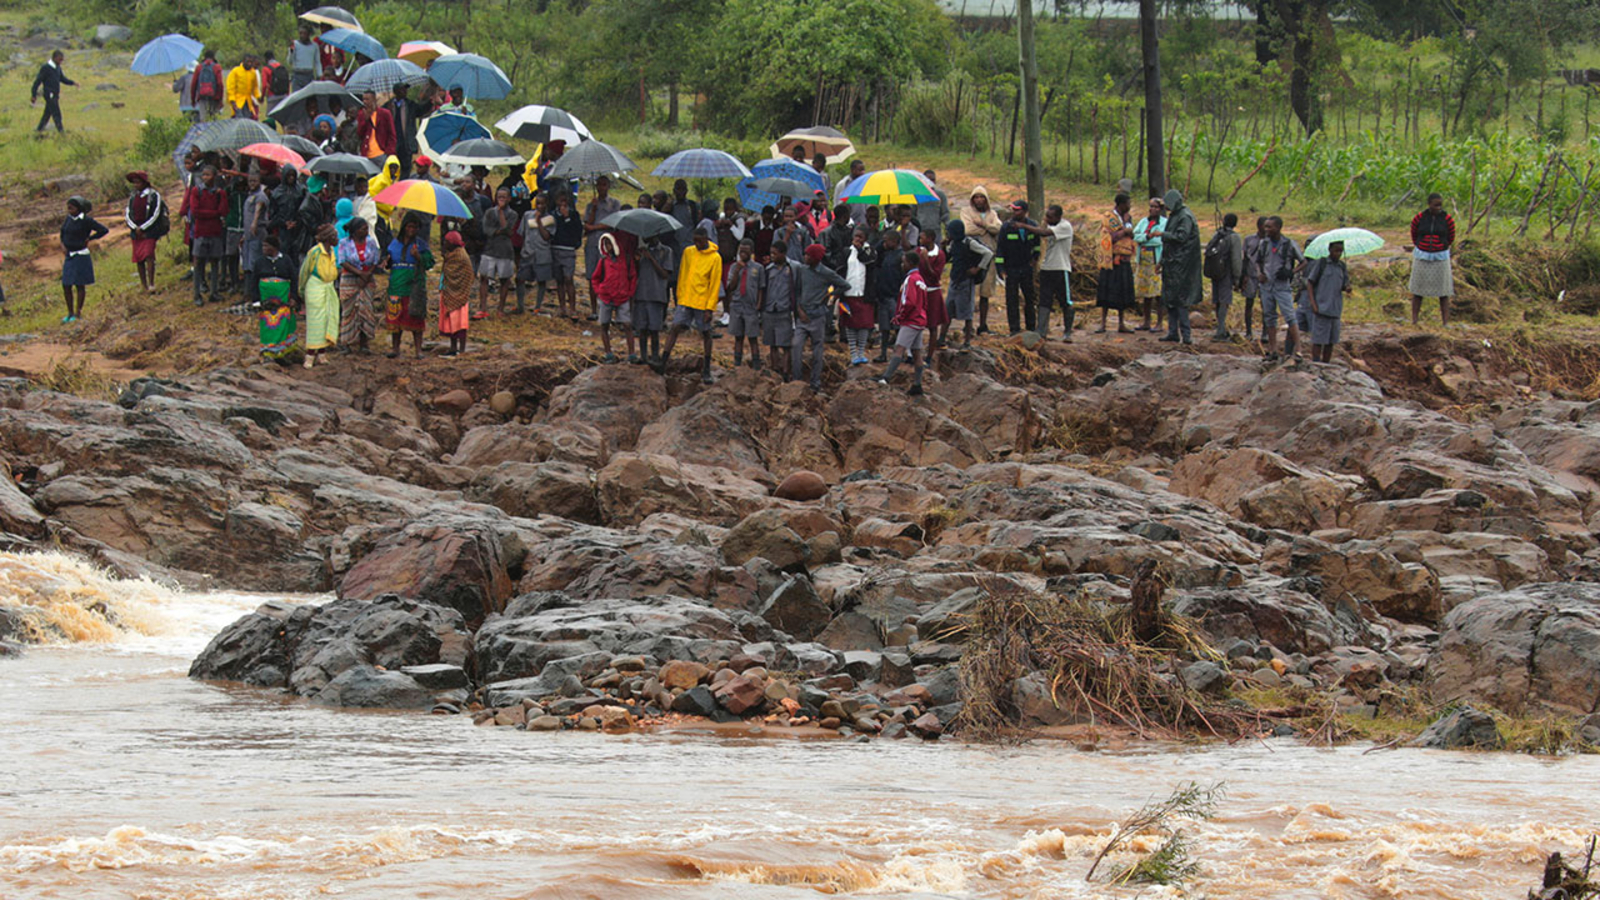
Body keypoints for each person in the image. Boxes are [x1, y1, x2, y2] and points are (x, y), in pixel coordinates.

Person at [656, 225, 722, 383]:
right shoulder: (688, 252)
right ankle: (663, 362)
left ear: (706, 239)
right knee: (675, 327)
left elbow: (714, 285)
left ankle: (707, 369)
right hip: (686, 299)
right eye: (695, 241)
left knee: (706, 333)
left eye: (700, 241)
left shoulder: (715, 258)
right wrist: (680, 296)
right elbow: (683, 274)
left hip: (702, 302)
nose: (697, 244)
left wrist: (710, 308)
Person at [793, 243, 850, 392]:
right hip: (803, 316)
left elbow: (845, 285)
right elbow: (797, 291)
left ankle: (815, 383)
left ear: (815, 258)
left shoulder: (826, 273)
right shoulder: (802, 270)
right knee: (796, 346)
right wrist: (799, 310)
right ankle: (796, 381)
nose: (805, 257)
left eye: (808, 255)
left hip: (818, 316)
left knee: (817, 351)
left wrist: (830, 295)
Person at [877, 250, 928, 396]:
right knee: (916, 353)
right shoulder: (920, 279)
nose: (902, 265)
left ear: (910, 263)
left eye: (904, 262)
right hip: (920, 319)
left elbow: (908, 302)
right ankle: (917, 384)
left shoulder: (910, 279)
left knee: (899, 348)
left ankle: (885, 378)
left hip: (911, 320)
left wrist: (900, 316)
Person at [1253, 215, 1304, 361]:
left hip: (1282, 286)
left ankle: (1298, 350)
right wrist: (1259, 273)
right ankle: (1273, 350)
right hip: (1266, 285)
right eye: (1266, 226)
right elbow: (1257, 261)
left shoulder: (1289, 244)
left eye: (1269, 227)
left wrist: (1291, 272)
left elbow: (1303, 262)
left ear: (1278, 228)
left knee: (1290, 316)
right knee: (1269, 317)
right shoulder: (1264, 243)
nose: (1266, 229)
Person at [384, 214, 432, 359]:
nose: (412, 230)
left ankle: (418, 350)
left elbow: (430, 263)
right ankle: (395, 348)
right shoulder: (394, 244)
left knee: (416, 317)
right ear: (404, 227)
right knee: (395, 317)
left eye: (415, 227)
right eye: (409, 226)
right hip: (397, 285)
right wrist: (387, 262)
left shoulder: (421, 245)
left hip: (414, 285)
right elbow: (388, 262)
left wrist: (418, 256)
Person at [1157, 189, 1201, 345]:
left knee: (1180, 300)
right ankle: (1172, 332)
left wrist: (1162, 235)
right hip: (1171, 263)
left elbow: (1181, 237)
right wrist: (1162, 261)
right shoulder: (1175, 215)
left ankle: (1186, 335)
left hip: (1182, 265)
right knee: (1170, 299)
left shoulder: (1185, 217)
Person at [1405, 192, 1455, 327]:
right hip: (1422, 256)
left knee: (1444, 292)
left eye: (1440, 205)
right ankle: (1414, 320)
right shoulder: (1419, 218)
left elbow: (1451, 236)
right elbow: (1414, 233)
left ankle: (1445, 322)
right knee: (1418, 291)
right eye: (1435, 205)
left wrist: (1442, 245)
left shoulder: (1447, 219)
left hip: (1440, 257)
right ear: (1429, 205)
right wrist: (1422, 245)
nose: (1438, 208)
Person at [181, 165, 228, 307]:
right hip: (200, 232)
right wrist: (214, 213)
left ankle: (214, 292)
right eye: (204, 175)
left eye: (208, 175)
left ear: (215, 176)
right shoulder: (197, 191)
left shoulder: (219, 193)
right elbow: (195, 211)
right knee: (198, 263)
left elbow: (224, 211)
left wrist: (221, 199)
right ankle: (197, 294)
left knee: (214, 262)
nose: (205, 177)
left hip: (215, 232)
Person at [943, 219, 992, 351]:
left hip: (966, 281)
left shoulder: (969, 243)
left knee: (967, 313)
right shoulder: (953, 244)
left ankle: (967, 341)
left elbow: (988, 253)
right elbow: (947, 257)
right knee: (948, 310)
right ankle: (941, 338)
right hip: (955, 280)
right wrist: (944, 247)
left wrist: (978, 268)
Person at [57, 196, 107, 323]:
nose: (69, 210)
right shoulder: (68, 219)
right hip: (70, 256)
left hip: (81, 255)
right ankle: (70, 313)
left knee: (79, 284)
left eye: (72, 207)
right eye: (68, 207)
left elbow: (103, 230)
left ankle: (78, 313)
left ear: (79, 208)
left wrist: (90, 239)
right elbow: (62, 233)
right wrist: (63, 246)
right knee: (66, 284)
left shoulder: (86, 220)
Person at [960, 185, 1002, 334]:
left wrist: (983, 224)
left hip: (990, 255)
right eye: (976, 197)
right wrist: (987, 229)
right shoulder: (966, 211)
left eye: (981, 197)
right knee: (970, 291)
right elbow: (967, 229)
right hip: (972, 255)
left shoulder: (992, 213)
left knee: (985, 292)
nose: (979, 200)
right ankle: (968, 324)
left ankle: (983, 325)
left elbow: (998, 228)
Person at [337, 216, 381, 354]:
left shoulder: (371, 242)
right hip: (349, 279)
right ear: (355, 231)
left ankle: (364, 343)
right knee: (349, 311)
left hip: (367, 279)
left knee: (365, 310)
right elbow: (343, 261)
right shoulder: (344, 243)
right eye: (363, 229)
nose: (366, 231)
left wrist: (366, 275)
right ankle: (346, 342)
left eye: (366, 228)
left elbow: (375, 260)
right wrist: (360, 273)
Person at [995, 201, 1040, 335]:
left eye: (1018, 210)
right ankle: (1014, 329)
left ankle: (1031, 327)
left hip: (1026, 267)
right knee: (1012, 299)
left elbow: (1037, 244)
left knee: (1029, 298)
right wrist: (1000, 269)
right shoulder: (1006, 227)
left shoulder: (1032, 226)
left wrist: (1035, 258)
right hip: (1011, 268)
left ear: (1025, 211)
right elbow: (1000, 249)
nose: (1015, 213)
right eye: (1014, 210)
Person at [592, 233, 638, 364]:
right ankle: (608, 353)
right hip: (606, 296)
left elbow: (633, 276)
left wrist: (630, 292)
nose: (608, 247)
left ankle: (632, 354)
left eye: (609, 243)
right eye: (606, 244)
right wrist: (599, 291)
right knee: (604, 324)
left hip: (622, 296)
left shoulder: (626, 260)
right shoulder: (603, 261)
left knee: (627, 325)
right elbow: (595, 278)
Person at [299, 224, 340, 367]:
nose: (337, 239)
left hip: (328, 287)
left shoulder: (332, 251)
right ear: (328, 238)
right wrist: (301, 291)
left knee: (327, 320)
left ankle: (322, 354)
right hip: (315, 288)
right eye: (335, 237)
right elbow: (304, 272)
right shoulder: (315, 252)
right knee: (316, 322)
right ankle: (310, 355)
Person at [1304, 240, 1351, 364]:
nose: (1338, 254)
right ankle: (1316, 363)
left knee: (1331, 341)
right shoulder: (1322, 263)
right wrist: (1313, 304)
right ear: (1329, 250)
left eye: (1341, 251)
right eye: (1336, 251)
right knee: (1319, 340)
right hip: (1321, 308)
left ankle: (1326, 364)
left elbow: (1344, 285)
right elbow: (1310, 283)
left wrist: (1347, 288)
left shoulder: (1342, 266)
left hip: (1335, 309)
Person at [1096, 192, 1136, 334]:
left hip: (1124, 259)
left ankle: (1121, 323)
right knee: (1106, 291)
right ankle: (1103, 323)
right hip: (1111, 259)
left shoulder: (1128, 218)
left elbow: (1132, 234)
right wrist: (1124, 230)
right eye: (1128, 203)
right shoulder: (1109, 218)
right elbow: (1111, 236)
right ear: (1121, 204)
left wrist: (1125, 229)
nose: (1129, 206)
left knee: (1122, 292)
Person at [255, 235, 299, 361]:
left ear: (274, 247)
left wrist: (294, 297)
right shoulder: (260, 261)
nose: (263, 248)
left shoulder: (286, 260)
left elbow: (294, 278)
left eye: (266, 246)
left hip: (283, 299)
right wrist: (256, 300)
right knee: (267, 324)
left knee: (283, 322)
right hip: (266, 302)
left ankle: (282, 352)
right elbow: (254, 280)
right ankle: (268, 352)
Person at [583, 175, 621, 318]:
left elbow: (613, 223)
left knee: (608, 276)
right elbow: (587, 225)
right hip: (592, 244)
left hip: (608, 244)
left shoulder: (614, 204)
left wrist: (594, 227)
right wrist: (593, 209)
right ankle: (594, 310)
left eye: (604, 185)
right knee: (592, 276)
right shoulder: (590, 205)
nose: (601, 188)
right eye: (599, 185)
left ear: (608, 186)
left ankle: (608, 310)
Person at [725, 238, 766, 369]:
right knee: (738, 337)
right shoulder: (733, 267)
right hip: (737, 305)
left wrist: (759, 305)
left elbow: (761, 288)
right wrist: (737, 271)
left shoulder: (758, 268)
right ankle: (737, 364)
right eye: (741, 251)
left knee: (753, 337)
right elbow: (730, 287)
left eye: (745, 251)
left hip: (751, 306)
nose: (742, 254)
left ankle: (756, 364)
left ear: (751, 252)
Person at [633, 234, 674, 366]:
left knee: (654, 329)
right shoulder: (641, 251)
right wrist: (637, 260)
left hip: (656, 295)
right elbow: (636, 273)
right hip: (641, 294)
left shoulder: (666, 251)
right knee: (642, 328)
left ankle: (655, 356)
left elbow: (665, 274)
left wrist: (651, 258)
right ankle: (644, 356)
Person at [839, 228, 878, 365]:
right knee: (850, 324)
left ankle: (861, 352)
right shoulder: (846, 251)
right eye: (856, 236)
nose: (857, 239)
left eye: (861, 237)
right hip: (849, 293)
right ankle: (853, 353)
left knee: (864, 324)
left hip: (864, 293)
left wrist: (860, 249)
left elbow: (868, 261)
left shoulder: (870, 251)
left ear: (866, 238)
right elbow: (840, 269)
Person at [124, 172, 165, 295]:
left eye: (138, 182)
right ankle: (144, 285)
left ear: (144, 183)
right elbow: (128, 213)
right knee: (139, 258)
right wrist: (134, 227)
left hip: (149, 231)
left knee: (149, 255)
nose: (136, 185)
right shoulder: (133, 197)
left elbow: (156, 213)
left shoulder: (154, 196)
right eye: (134, 183)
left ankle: (151, 283)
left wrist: (143, 227)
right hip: (136, 231)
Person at [544, 191, 584, 320]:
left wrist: (567, 218)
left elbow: (577, 231)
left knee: (568, 278)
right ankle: (562, 307)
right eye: (560, 201)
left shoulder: (574, 214)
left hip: (568, 249)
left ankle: (572, 308)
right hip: (555, 248)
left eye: (565, 201)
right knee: (559, 279)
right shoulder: (552, 215)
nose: (562, 204)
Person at [1206, 213, 1245, 341]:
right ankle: (1221, 330)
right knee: (1224, 301)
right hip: (1226, 273)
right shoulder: (1234, 237)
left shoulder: (1217, 234)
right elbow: (1236, 259)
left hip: (1215, 271)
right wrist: (1237, 277)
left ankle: (1220, 328)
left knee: (1217, 299)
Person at [478, 187, 517, 315]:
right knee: (484, 277)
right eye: (499, 197)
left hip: (505, 251)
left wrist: (500, 214)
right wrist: (499, 231)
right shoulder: (489, 212)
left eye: (504, 197)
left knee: (504, 280)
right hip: (490, 249)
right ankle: (483, 307)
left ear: (509, 199)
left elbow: (508, 230)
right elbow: (486, 230)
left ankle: (500, 308)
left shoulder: (513, 214)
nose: (501, 199)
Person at [1132, 196, 1166, 332]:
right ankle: (1146, 321)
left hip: (1155, 260)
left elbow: (1161, 240)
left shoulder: (1164, 223)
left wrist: (1146, 239)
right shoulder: (1143, 222)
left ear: (1160, 209)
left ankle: (1159, 322)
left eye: (1156, 207)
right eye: (1151, 206)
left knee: (1157, 292)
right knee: (1145, 291)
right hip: (1143, 260)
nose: (1153, 209)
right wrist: (1147, 236)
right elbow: (1135, 236)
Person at [516, 194, 554, 314]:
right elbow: (522, 232)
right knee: (520, 278)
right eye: (538, 203)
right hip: (528, 252)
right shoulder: (527, 215)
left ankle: (537, 306)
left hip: (542, 254)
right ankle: (520, 305)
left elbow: (547, 236)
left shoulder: (550, 219)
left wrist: (539, 222)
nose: (540, 206)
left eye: (542, 203)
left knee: (541, 280)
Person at [871, 229, 904, 363]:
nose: (884, 243)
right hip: (883, 295)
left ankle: (899, 355)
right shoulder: (885, 254)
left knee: (897, 327)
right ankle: (883, 354)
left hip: (894, 295)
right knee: (884, 328)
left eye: (886, 241)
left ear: (894, 241)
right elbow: (876, 252)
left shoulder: (901, 256)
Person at [438, 231, 473, 356]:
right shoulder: (451, 254)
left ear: (452, 243)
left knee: (460, 323)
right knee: (450, 322)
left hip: (460, 295)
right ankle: (453, 348)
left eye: (447, 241)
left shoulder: (460, 256)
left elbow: (459, 274)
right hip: (449, 292)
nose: (444, 243)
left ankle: (462, 349)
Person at [240, 172, 269, 308]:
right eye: (250, 181)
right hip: (248, 236)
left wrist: (255, 223)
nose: (252, 183)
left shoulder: (260, 196)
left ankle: (255, 295)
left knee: (254, 265)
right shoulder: (249, 195)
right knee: (246, 265)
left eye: (254, 181)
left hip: (257, 234)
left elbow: (258, 209)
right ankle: (247, 294)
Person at [31, 50, 76, 134]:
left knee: (47, 114)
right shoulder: (46, 68)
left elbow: (62, 78)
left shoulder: (58, 68)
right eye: (60, 60)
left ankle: (39, 130)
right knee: (56, 113)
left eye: (62, 60)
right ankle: (61, 133)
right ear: (54, 58)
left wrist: (72, 83)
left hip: (55, 94)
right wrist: (34, 94)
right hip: (49, 94)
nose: (61, 62)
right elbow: (37, 81)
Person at [386, 83, 425, 178]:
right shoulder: (388, 106)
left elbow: (421, 110)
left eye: (405, 89)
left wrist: (431, 102)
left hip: (406, 143)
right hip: (393, 142)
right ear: (396, 92)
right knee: (393, 167)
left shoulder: (410, 105)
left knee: (406, 168)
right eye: (402, 90)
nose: (405, 92)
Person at [918, 231, 948, 350]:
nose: (920, 240)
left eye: (922, 238)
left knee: (933, 325)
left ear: (930, 239)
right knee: (916, 323)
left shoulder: (939, 255)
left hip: (932, 292)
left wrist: (926, 260)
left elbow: (935, 275)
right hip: (919, 291)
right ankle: (914, 353)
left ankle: (930, 355)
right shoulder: (918, 251)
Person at [1241, 216, 1266, 340]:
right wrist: (1243, 276)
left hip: (1264, 277)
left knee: (1265, 305)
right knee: (1249, 303)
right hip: (1251, 275)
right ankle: (1248, 331)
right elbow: (1245, 258)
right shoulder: (1249, 239)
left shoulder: (1270, 241)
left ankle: (1265, 333)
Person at [356, 91, 396, 165]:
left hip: (381, 153)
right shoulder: (361, 114)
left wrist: (389, 152)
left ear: (374, 99)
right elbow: (359, 133)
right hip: (366, 154)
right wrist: (366, 120)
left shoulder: (384, 113)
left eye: (367, 99)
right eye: (363, 99)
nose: (365, 102)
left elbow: (392, 134)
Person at [916, 170, 950, 239]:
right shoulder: (917, 195)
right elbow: (912, 214)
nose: (930, 182)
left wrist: (948, 229)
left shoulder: (940, 195)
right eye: (928, 180)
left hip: (935, 231)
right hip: (921, 231)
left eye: (933, 180)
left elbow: (945, 214)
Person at [191, 50, 224, 122]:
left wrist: (193, 100)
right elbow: (220, 84)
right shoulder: (217, 67)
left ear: (204, 57)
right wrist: (220, 100)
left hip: (202, 97)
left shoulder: (199, 67)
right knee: (213, 120)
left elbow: (193, 84)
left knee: (203, 120)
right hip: (214, 98)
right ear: (213, 57)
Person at [289, 24, 322, 90]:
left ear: (309, 34)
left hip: (309, 75)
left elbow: (317, 62)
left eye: (304, 33)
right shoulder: (295, 44)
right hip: (297, 75)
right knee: (297, 95)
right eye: (300, 33)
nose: (302, 35)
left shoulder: (314, 46)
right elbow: (290, 61)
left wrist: (319, 75)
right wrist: (291, 52)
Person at [668, 180, 697, 253]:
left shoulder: (692, 205)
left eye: (683, 189)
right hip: (675, 246)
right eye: (678, 189)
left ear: (686, 191)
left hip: (690, 244)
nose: (681, 192)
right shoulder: (670, 207)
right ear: (674, 191)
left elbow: (696, 223)